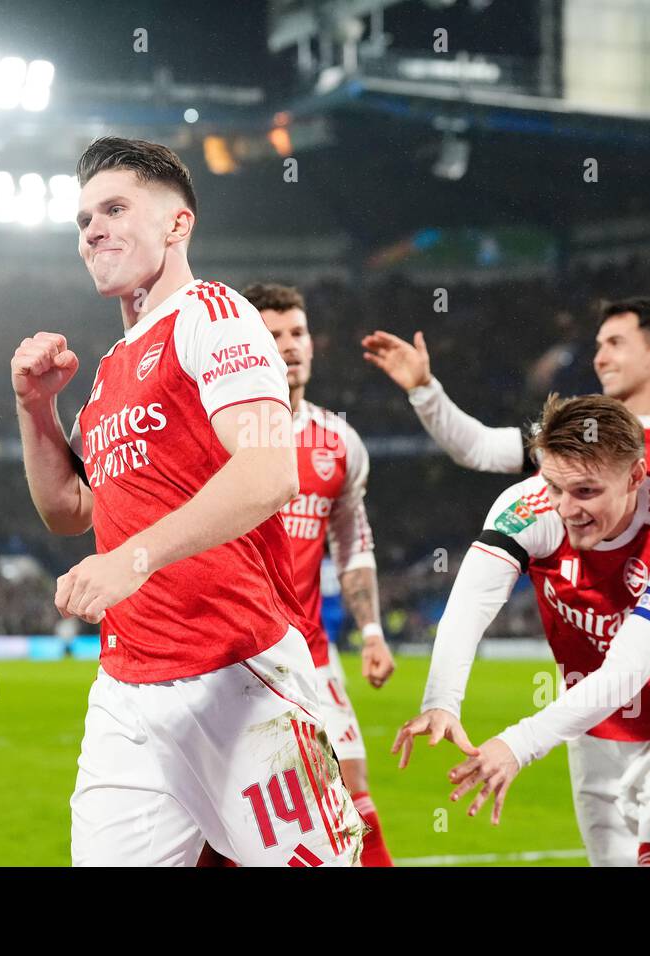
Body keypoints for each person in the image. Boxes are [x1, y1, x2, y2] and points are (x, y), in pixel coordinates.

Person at [10, 137, 360, 867]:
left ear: (177, 226)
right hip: (127, 694)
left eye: (113, 209)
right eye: (81, 220)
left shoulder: (217, 315)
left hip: (239, 674)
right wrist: (33, 406)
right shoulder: (108, 372)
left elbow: (271, 471)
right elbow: (70, 507)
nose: (92, 231)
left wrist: (133, 559)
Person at [394, 393, 650, 866]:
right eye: (555, 485)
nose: (566, 507)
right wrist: (441, 699)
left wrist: (518, 743)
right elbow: (471, 602)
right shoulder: (528, 506)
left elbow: (625, 674)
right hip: (594, 729)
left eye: (586, 492)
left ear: (635, 475)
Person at [362, 298, 650, 672]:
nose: (600, 358)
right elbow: (479, 449)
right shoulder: (576, 434)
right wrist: (425, 391)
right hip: (589, 663)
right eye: (599, 345)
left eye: (615, 343)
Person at [247, 281, 397, 866]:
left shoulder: (338, 441)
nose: (288, 346)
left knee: (353, 791)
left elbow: (352, 542)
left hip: (310, 650)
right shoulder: (221, 437)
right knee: (236, 813)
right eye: (272, 334)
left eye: (297, 333)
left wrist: (374, 633)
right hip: (238, 654)